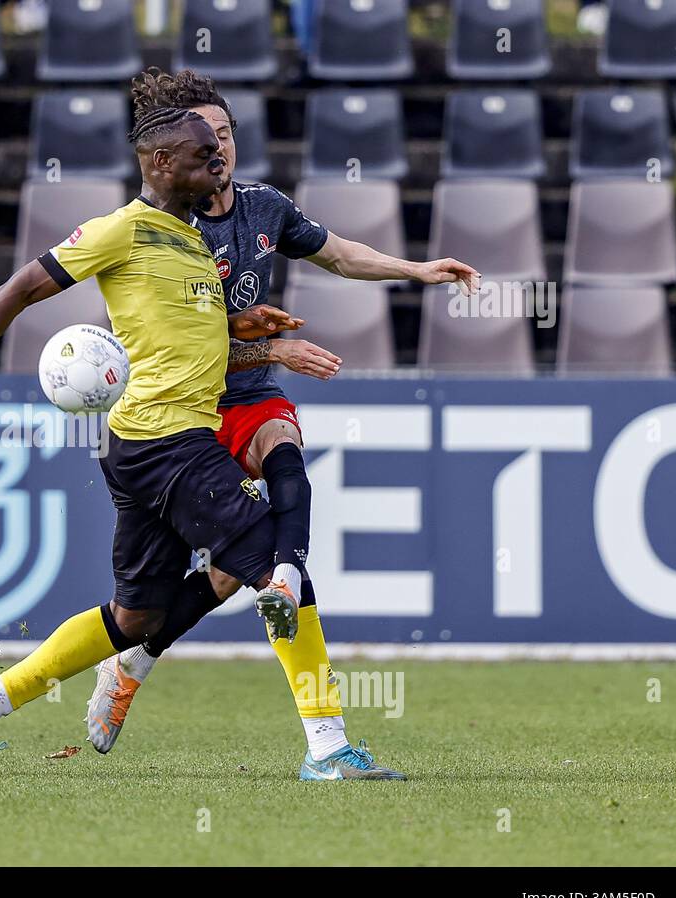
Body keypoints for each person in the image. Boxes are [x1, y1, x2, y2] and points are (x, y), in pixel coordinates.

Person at [84, 69, 481, 781]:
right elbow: (181, 344)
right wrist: (270, 347)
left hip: (251, 398)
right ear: (173, 151)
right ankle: (139, 656)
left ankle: (279, 595)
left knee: (285, 463)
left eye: (226, 135)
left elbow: (339, 254)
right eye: (205, 139)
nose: (219, 150)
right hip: (185, 412)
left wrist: (416, 269)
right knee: (222, 576)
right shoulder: (159, 230)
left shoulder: (264, 208)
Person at [0, 106, 304, 774]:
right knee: (274, 552)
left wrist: (242, 329)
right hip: (167, 441)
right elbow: (19, 288)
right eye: (202, 154)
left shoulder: (187, 240)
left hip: (141, 445)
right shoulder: (121, 230)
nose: (218, 163)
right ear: (159, 164)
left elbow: (181, 330)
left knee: (134, 618)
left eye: (220, 151)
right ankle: (325, 744)